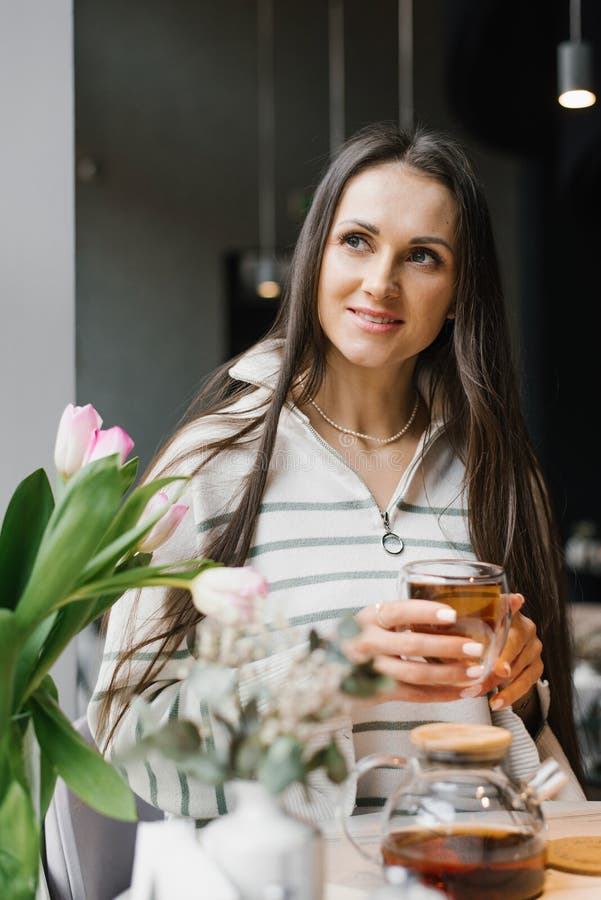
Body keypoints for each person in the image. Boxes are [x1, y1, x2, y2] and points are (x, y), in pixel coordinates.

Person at [89, 122, 585, 822]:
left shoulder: (499, 475)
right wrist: (327, 677)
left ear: (456, 292)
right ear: (313, 254)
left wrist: (520, 692)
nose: (380, 283)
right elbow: (125, 744)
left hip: (468, 869)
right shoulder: (208, 467)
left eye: (421, 256)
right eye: (356, 241)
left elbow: (528, 748)